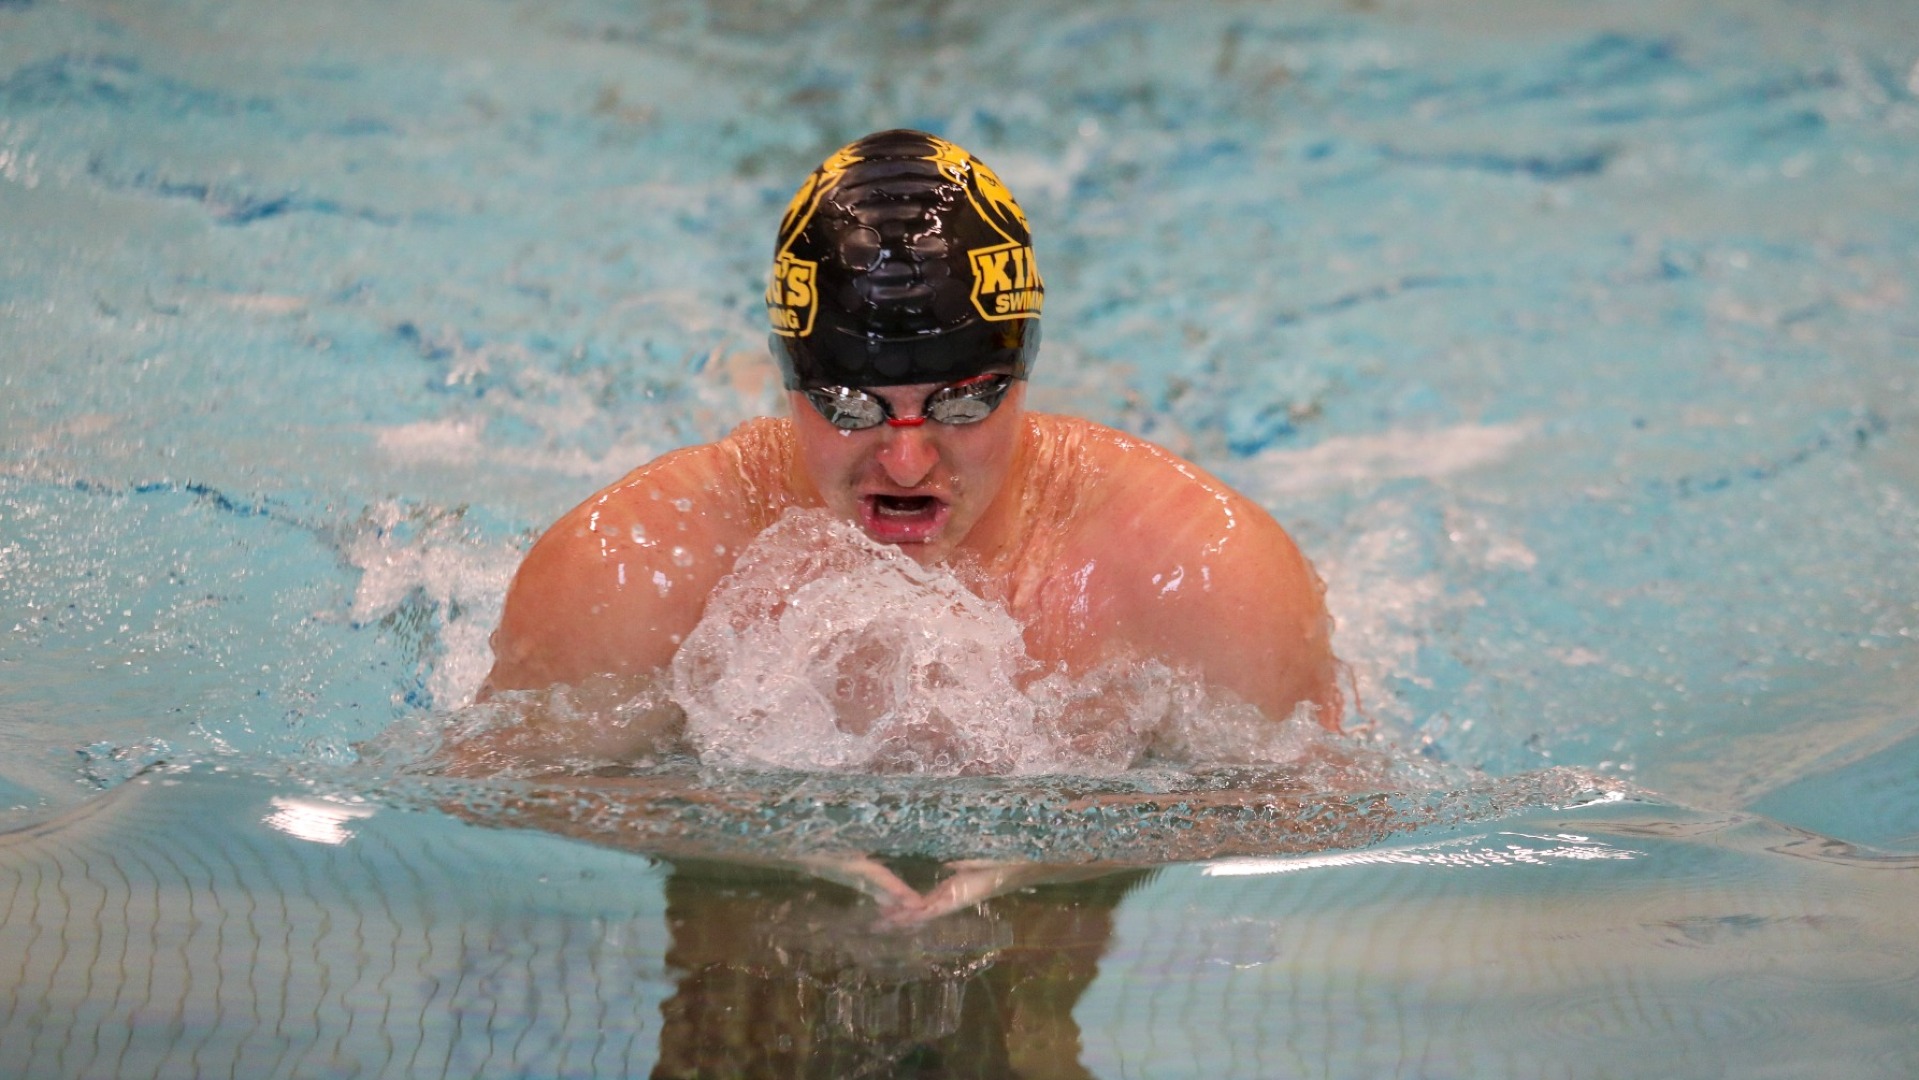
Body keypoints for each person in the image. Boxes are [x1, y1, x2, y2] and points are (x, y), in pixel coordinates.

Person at [480, 128, 1340, 735]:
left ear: (1021, 379)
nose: (903, 460)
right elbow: (510, 824)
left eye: (961, 404)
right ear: (790, 386)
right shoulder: (628, 574)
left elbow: (1303, 836)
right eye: (849, 407)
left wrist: (1050, 857)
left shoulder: (1201, 578)